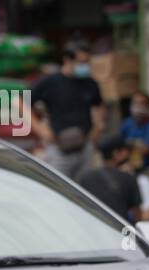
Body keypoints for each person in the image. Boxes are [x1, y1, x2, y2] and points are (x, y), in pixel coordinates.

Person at [31, 45, 105, 181]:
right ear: (67, 60)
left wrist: (96, 129)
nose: (85, 66)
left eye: (87, 62)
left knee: (86, 189)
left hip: (85, 146)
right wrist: (40, 129)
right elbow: (19, 101)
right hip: (59, 148)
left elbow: (98, 105)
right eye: (80, 62)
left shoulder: (90, 83)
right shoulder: (50, 82)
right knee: (59, 187)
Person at [78, 134, 142, 221]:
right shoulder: (128, 179)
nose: (128, 154)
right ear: (116, 153)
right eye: (126, 151)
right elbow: (137, 216)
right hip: (118, 232)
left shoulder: (86, 178)